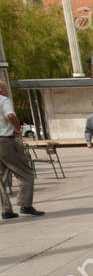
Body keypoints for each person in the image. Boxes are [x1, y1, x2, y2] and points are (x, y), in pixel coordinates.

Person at [0, 81, 41, 217]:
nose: (8, 92)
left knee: (1, 178)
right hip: (6, 141)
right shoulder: (3, 100)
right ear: (1, 89)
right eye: (7, 89)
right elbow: (11, 116)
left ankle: (6, 210)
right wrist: (17, 129)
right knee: (26, 174)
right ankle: (25, 205)